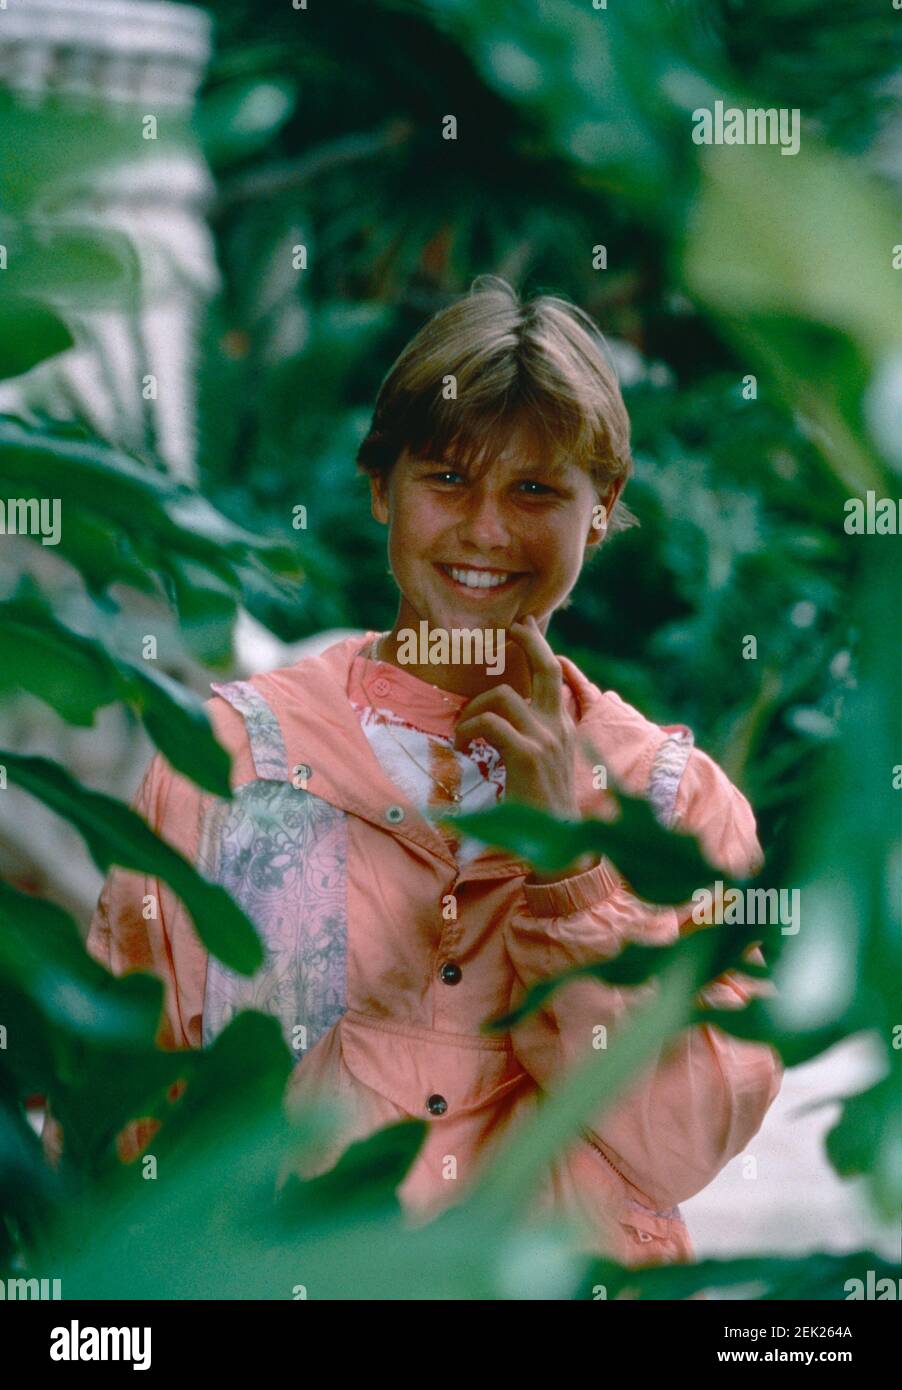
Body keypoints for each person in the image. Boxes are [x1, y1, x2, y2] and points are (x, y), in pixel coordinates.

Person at [64, 276, 782, 1268]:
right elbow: (124, 1113)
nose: (487, 530)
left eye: (536, 489)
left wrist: (565, 862)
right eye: (446, 478)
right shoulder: (232, 758)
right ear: (379, 489)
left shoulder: (671, 802)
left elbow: (682, 1144)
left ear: (602, 510)